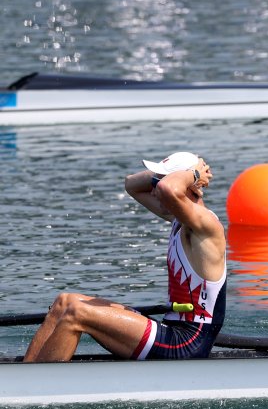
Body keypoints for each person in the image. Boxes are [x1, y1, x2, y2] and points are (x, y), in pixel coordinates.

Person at [23, 152, 227, 362]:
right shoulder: (179, 219)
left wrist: (194, 173)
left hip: (188, 342)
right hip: (173, 329)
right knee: (64, 302)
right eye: (157, 180)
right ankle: (25, 375)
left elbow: (168, 189)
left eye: (161, 181)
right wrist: (170, 176)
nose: (155, 189)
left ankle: (42, 387)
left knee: (77, 313)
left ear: (190, 186)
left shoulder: (205, 225)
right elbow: (132, 184)